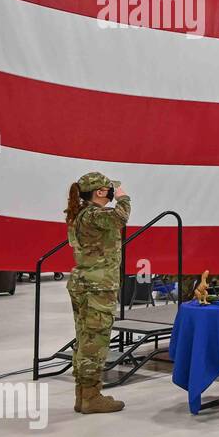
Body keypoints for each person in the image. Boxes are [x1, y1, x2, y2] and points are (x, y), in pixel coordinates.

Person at [64, 172, 130, 414]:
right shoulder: (94, 214)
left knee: (85, 340)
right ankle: (91, 397)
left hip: (84, 283)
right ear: (100, 192)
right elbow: (121, 217)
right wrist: (124, 197)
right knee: (95, 342)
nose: (113, 191)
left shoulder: (82, 214)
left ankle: (83, 395)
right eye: (110, 189)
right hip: (98, 286)